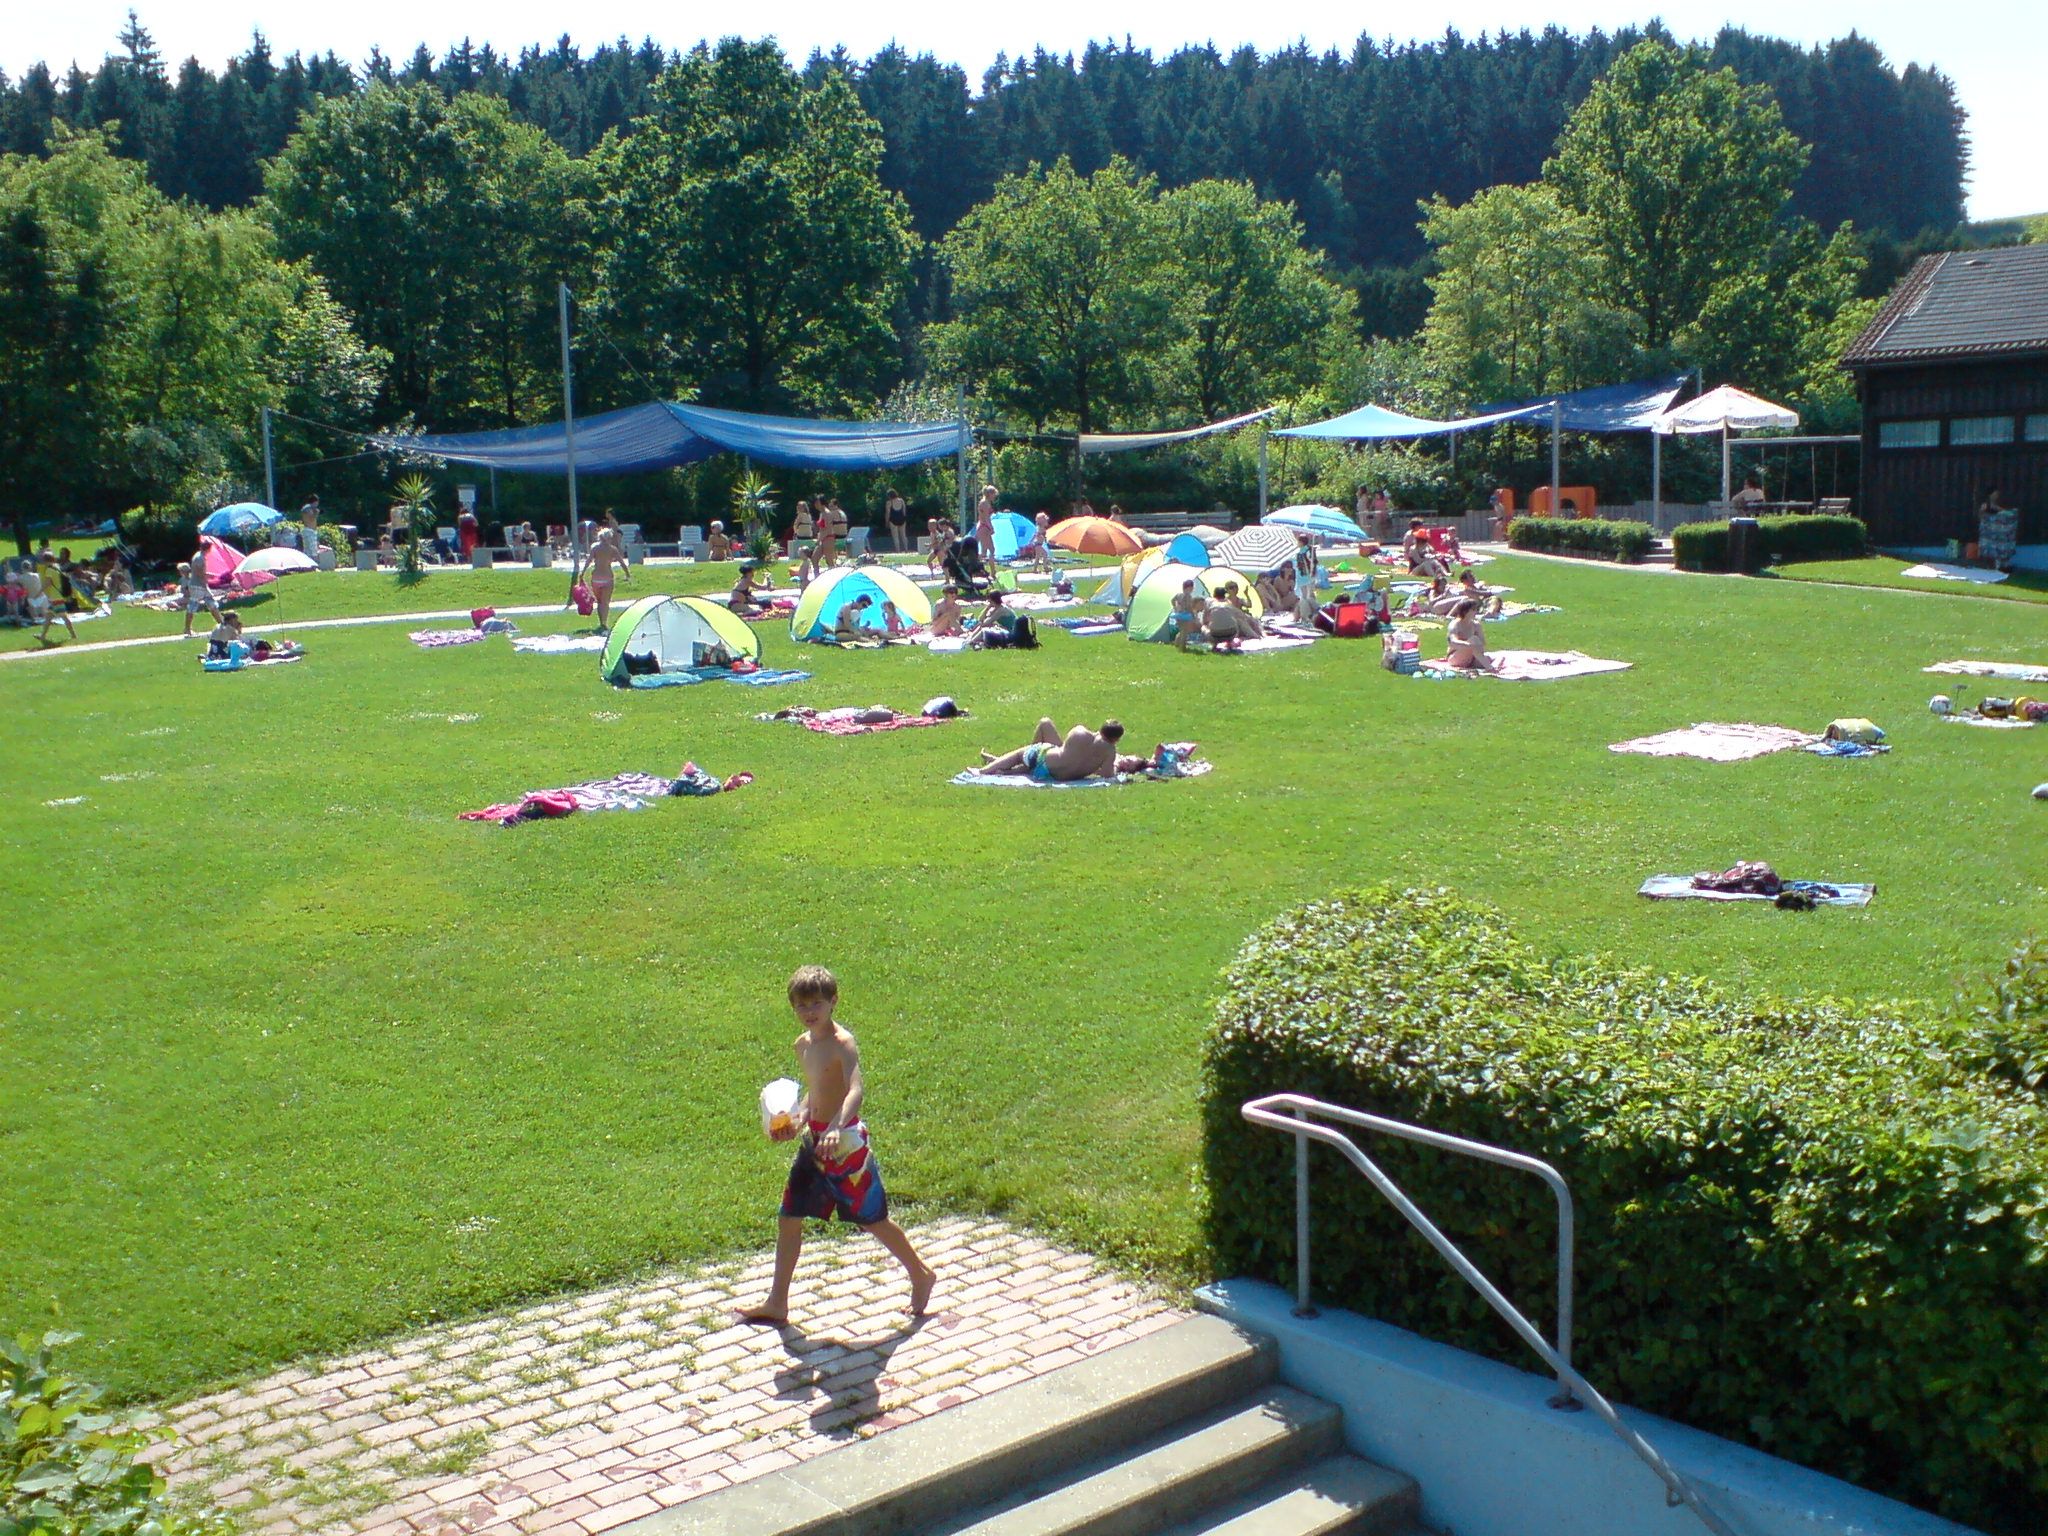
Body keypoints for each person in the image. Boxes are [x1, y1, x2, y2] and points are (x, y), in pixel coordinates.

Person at [741, 965, 935, 1325]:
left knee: (872, 1219)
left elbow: (854, 1090)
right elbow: (814, 1095)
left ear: (833, 1001)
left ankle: (920, 1274)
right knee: (789, 1216)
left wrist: (835, 1126)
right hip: (814, 1143)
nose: (809, 1012)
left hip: (845, 1146)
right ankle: (777, 1302)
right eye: (801, 1006)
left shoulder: (843, 1043)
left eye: (816, 1003)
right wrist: (795, 1120)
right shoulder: (803, 1045)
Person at [978, 719, 1124, 782]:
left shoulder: (1080, 731)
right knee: (1045, 733)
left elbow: (1065, 751)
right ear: (1116, 739)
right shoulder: (1109, 751)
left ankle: (983, 771)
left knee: (1020, 753)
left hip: (1043, 760)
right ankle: (1006, 768)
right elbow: (1107, 774)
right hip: (1055, 775)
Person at [587, 527, 631, 633]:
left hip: (596, 577)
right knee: (605, 602)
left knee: (599, 602)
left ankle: (601, 622)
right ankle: (604, 623)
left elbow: (588, 561)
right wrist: (627, 574)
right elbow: (622, 563)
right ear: (608, 538)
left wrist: (582, 573)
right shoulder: (612, 549)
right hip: (607, 577)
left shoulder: (595, 548)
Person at [1445, 597, 1497, 671]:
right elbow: (1453, 642)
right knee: (1474, 640)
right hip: (1455, 657)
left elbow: (1482, 643)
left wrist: (1475, 647)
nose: (1476, 611)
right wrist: (1470, 645)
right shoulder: (1455, 624)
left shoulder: (1476, 625)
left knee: (1490, 658)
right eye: (1473, 609)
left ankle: (1486, 665)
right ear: (1465, 611)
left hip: (1471, 657)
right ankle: (1490, 668)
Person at [177, 559, 218, 638]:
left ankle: (222, 625)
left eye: (181, 571)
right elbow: (184, 590)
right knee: (191, 611)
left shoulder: (193, 576)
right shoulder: (184, 579)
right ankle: (187, 629)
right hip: (195, 596)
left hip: (202, 593)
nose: (180, 573)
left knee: (213, 608)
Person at [1170, 578, 1205, 652]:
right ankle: (1182, 647)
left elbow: (1172, 600)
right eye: (1192, 588)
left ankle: (1176, 643)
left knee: (1181, 630)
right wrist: (1193, 615)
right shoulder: (1188, 596)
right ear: (1190, 587)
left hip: (1178, 615)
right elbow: (1189, 607)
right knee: (1184, 632)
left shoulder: (1178, 594)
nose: (1192, 589)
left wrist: (1175, 607)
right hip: (1185, 616)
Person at [974, 485, 997, 564]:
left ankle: (988, 567)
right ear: (990, 494)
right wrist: (991, 528)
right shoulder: (985, 503)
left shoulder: (986, 502)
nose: (994, 496)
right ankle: (973, 562)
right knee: (986, 550)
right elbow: (986, 518)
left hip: (984, 526)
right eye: (994, 494)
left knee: (989, 549)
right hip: (984, 527)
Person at [884, 487, 909, 554]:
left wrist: (887, 522)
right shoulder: (901, 500)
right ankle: (906, 550)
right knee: (903, 535)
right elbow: (904, 511)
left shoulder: (889, 503)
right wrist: (904, 519)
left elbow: (888, 513)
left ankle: (898, 551)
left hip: (893, 520)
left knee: (895, 536)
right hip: (902, 519)